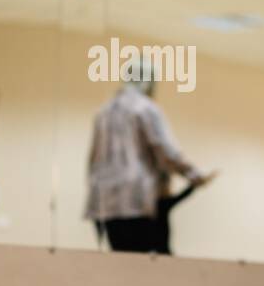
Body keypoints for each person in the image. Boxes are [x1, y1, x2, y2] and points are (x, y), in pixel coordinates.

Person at [84, 58, 213, 253]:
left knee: (121, 265)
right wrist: (195, 174)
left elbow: (93, 160)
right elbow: (166, 151)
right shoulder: (146, 108)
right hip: (136, 202)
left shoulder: (103, 112)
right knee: (152, 270)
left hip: (104, 204)